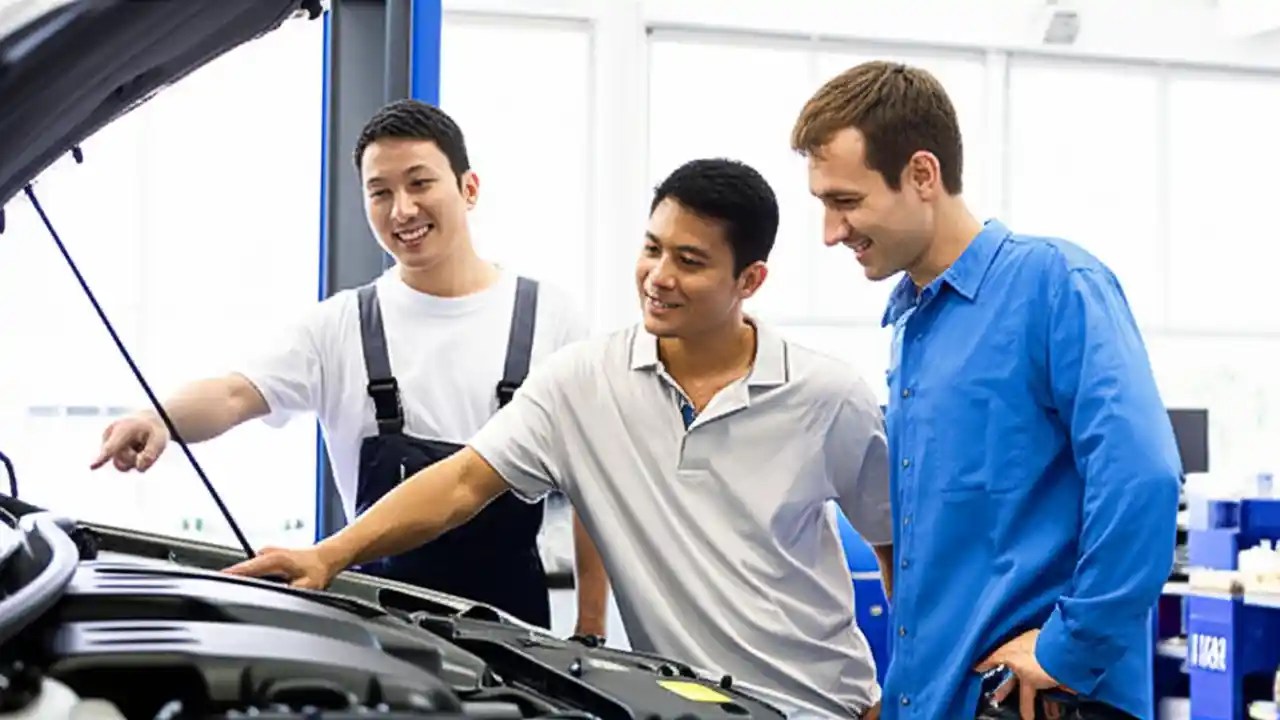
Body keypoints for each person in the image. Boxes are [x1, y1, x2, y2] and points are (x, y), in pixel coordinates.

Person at [224, 157, 894, 719]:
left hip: (823, 707)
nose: (658, 276)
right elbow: (462, 482)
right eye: (652, 247)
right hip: (683, 705)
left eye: (689, 261)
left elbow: (899, 551)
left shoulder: (827, 395)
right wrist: (330, 555)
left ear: (749, 280)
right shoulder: (584, 383)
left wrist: (906, 697)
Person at [90, 98, 610, 637]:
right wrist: (159, 420)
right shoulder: (341, 325)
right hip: (377, 632)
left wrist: (591, 626)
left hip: (516, 638)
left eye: (419, 184)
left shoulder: (552, 317)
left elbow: (592, 484)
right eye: (379, 192)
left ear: (469, 189)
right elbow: (233, 394)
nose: (402, 210)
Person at [789, 61, 1182, 720]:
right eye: (824, 205)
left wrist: (1070, 646)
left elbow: (1142, 479)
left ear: (921, 175)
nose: (832, 232)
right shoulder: (912, 320)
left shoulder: (1055, 283)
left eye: (846, 201)